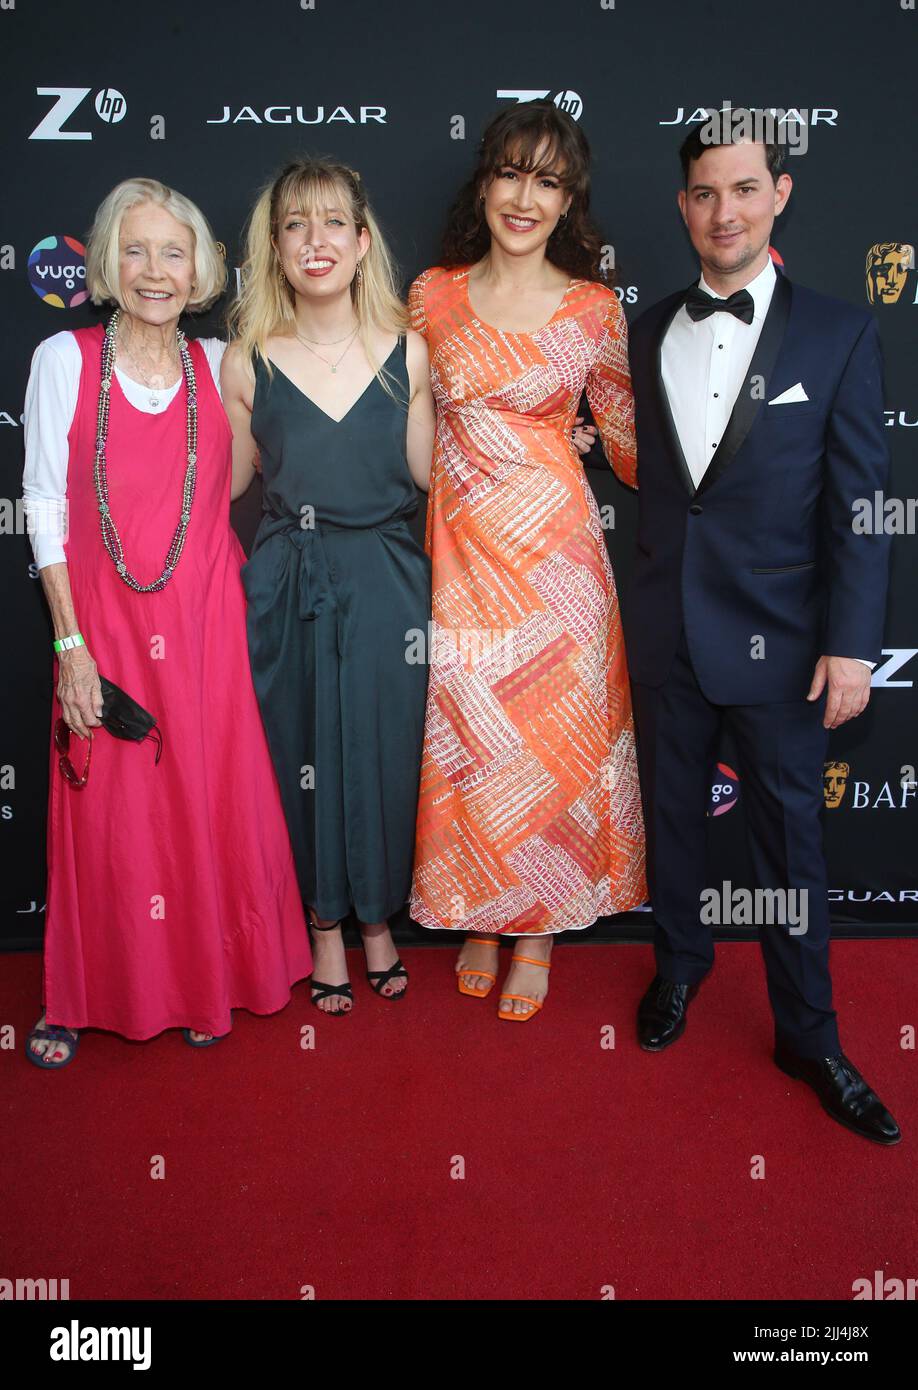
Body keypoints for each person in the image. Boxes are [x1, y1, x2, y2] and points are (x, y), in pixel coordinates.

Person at [625, 114, 900, 1143]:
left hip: (786, 645)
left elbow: (859, 507)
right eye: (704, 193)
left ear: (779, 192)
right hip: (667, 636)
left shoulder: (839, 332)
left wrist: (851, 643)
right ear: (684, 206)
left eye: (744, 189)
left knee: (792, 853)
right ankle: (679, 971)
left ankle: (812, 1035)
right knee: (675, 829)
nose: (723, 211)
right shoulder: (649, 329)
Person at [21, 177, 311, 1067]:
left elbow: (257, 467)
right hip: (102, 624)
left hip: (204, 620)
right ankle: (83, 995)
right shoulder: (62, 360)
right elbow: (42, 504)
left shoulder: (223, 361)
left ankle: (202, 982)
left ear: (199, 270)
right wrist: (70, 647)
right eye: (136, 251)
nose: (155, 271)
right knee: (108, 811)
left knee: (202, 802)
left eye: (173, 253)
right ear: (109, 262)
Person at [408, 101, 647, 1020]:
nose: (524, 197)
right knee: (474, 739)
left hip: (560, 569)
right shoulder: (430, 294)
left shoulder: (594, 309)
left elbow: (629, 451)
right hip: (464, 559)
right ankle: (477, 909)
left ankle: (539, 928)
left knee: (548, 748)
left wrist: (585, 433)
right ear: (485, 181)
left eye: (546, 181)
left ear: (568, 200)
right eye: (511, 173)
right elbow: (402, 414)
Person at [222, 159, 435, 1014]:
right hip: (287, 585)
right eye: (296, 225)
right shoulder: (244, 363)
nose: (317, 242)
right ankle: (321, 928)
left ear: (362, 239)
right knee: (297, 756)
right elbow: (224, 491)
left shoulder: (411, 350)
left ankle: (377, 923)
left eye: (333, 223)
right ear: (273, 249)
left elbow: (432, 474)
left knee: (383, 757)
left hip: (387, 582)